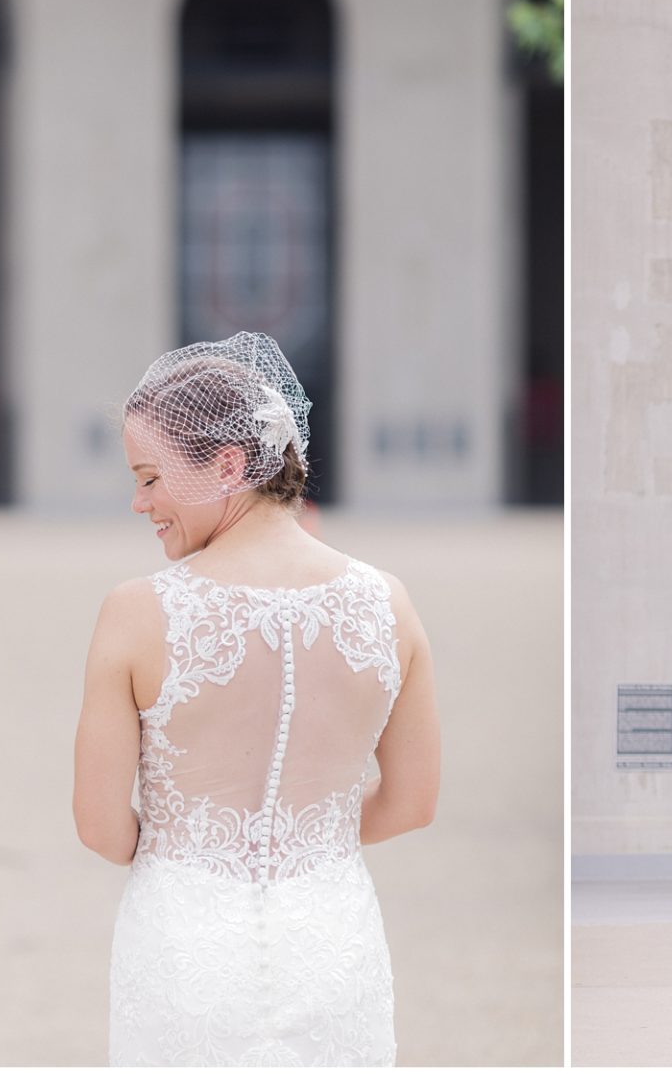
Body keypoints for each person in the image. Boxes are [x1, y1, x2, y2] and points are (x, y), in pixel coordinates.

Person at [72, 332, 440, 1065]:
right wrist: (308, 843)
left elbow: (102, 828)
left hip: (183, 950)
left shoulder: (137, 612)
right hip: (334, 945)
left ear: (230, 466)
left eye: (150, 477)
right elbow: (413, 804)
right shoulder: (388, 604)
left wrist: (199, 851)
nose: (138, 501)